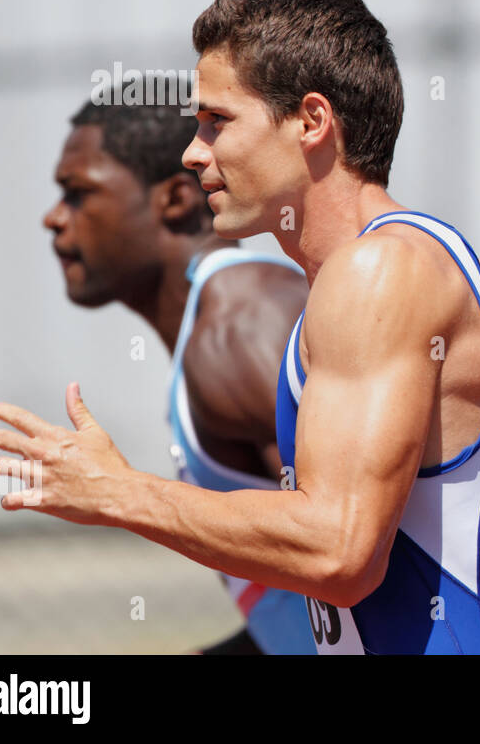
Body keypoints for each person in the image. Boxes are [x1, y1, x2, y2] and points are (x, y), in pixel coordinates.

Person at [0, 0, 480, 655]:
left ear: (312, 122)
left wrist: (120, 492)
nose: (192, 152)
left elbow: (339, 550)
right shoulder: (431, 268)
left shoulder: (376, 274)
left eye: (217, 123)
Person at [45, 88, 312, 654]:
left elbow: (352, 555)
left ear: (171, 199)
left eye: (77, 194)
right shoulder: (217, 324)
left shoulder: (241, 330)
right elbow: (308, 603)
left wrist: (124, 495)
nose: (53, 219)